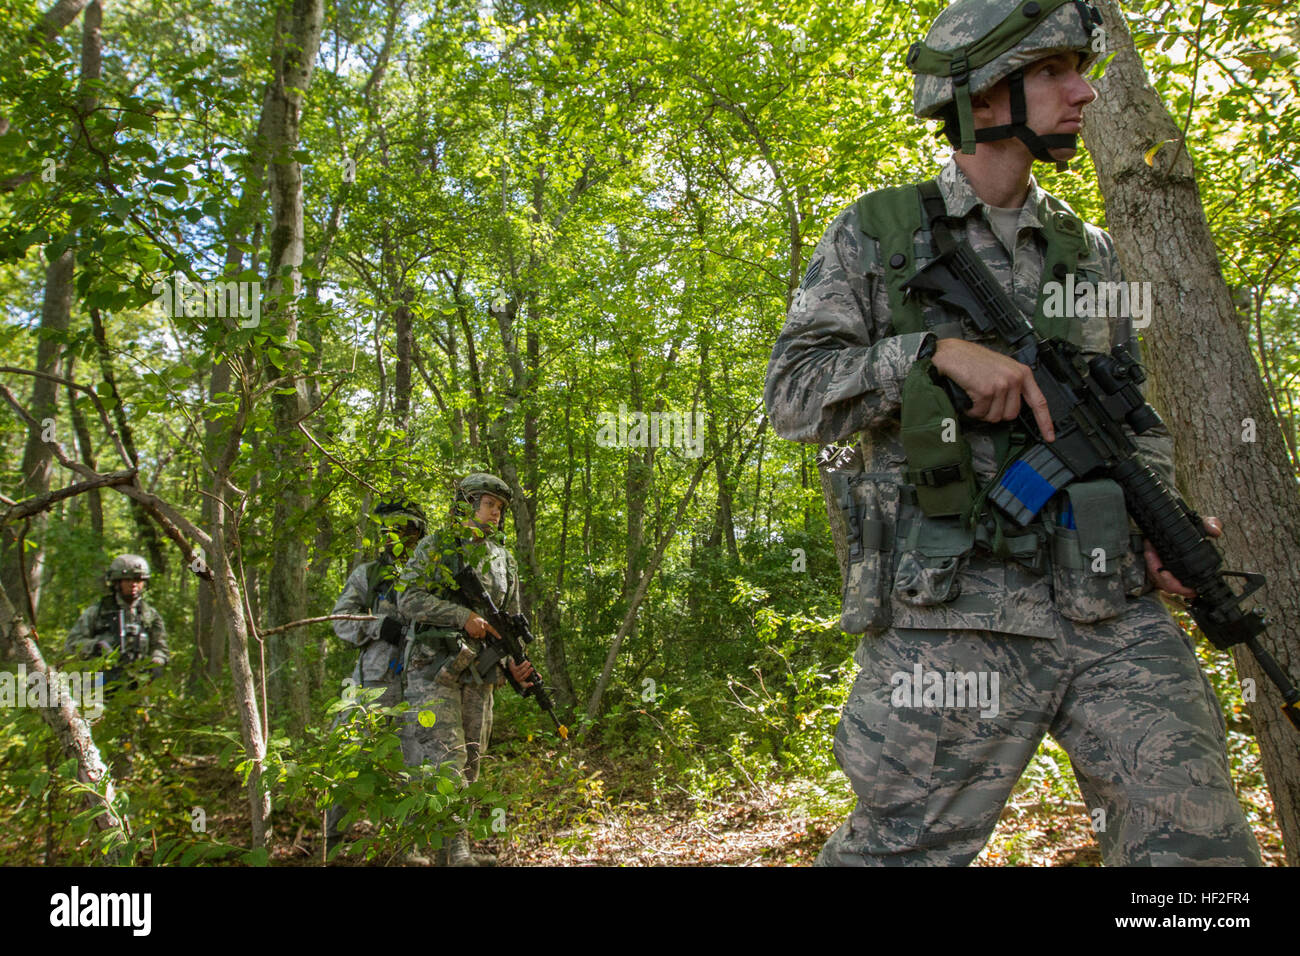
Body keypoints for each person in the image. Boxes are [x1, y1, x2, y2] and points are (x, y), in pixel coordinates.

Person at [764, 0, 1261, 866]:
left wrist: (1160, 532)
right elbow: (794, 396)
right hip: (951, 615)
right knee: (898, 853)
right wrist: (931, 355)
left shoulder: (1089, 251)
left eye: (1081, 68)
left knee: (1201, 857)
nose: (1084, 93)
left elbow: (1128, 414)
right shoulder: (876, 235)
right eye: (1052, 71)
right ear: (984, 96)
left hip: (1111, 609)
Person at [397, 472, 535, 866]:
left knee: (471, 761)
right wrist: (461, 616)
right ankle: (451, 854)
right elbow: (407, 599)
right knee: (446, 760)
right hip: (433, 670)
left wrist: (515, 663)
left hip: (481, 673)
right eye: (490, 504)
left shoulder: (503, 559)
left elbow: (508, 623)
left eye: (501, 508)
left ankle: (456, 851)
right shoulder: (436, 547)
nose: (496, 513)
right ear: (468, 503)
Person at [323, 497, 427, 855]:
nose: (397, 537)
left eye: (406, 530)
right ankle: (330, 845)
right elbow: (340, 619)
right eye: (391, 530)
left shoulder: (434, 578)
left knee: (413, 763)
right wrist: (378, 627)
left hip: (421, 683)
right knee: (350, 757)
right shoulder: (368, 575)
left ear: (418, 535)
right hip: (372, 684)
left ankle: (405, 847)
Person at [66, 553, 169, 691]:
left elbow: (160, 647)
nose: (133, 584)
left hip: (137, 686)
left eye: (138, 580)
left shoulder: (150, 615)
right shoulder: (97, 612)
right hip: (98, 684)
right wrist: (95, 647)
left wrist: (156, 662)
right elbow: (71, 644)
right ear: (116, 582)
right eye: (127, 580)